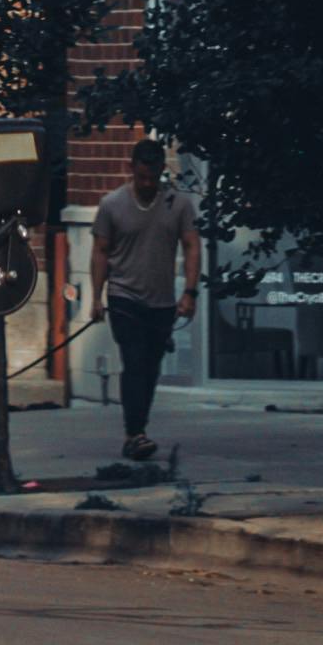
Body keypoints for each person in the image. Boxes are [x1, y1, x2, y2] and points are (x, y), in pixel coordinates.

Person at [90, 136, 200, 465]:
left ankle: (138, 429)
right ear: (131, 170)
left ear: (162, 171)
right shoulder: (112, 205)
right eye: (141, 178)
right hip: (124, 296)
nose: (147, 184)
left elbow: (192, 246)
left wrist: (190, 292)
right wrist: (95, 297)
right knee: (134, 362)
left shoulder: (177, 204)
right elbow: (100, 251)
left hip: (161, 300)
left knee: (150, 368)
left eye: (153, 178)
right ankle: (134, 433)